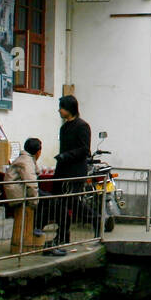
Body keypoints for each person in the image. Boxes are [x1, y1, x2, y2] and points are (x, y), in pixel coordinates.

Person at [42, 95, 94, 256]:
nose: (59, 110)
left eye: (61, 107)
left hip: (75, 170)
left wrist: (67, 156)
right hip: (62, 169)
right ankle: (63, 234)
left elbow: (85, 149)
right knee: (59, 203)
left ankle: (95, 219)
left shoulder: (82, 126)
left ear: (69, 108)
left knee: (72, 201)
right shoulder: (64, 128)